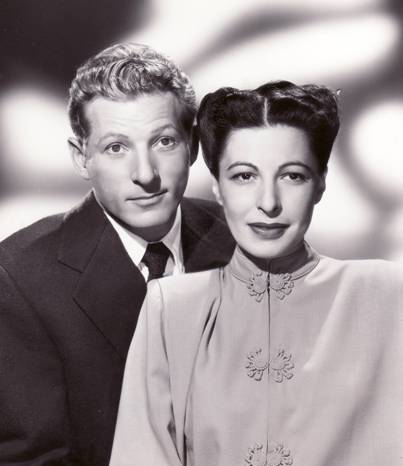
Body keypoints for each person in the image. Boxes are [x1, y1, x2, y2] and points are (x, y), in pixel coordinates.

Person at [109, 81, 403, 466]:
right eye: (244, 176)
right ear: (217, 186)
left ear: (320, 184)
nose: (268, 203)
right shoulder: (171, 308)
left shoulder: (384, 293)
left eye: (293, 176)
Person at [0, 43, 235, 466]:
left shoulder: (239, 239)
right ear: (81, 158)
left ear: (193, 146)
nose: (145, 174)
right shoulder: (19, 276)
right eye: (116, 148)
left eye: (164, 141)